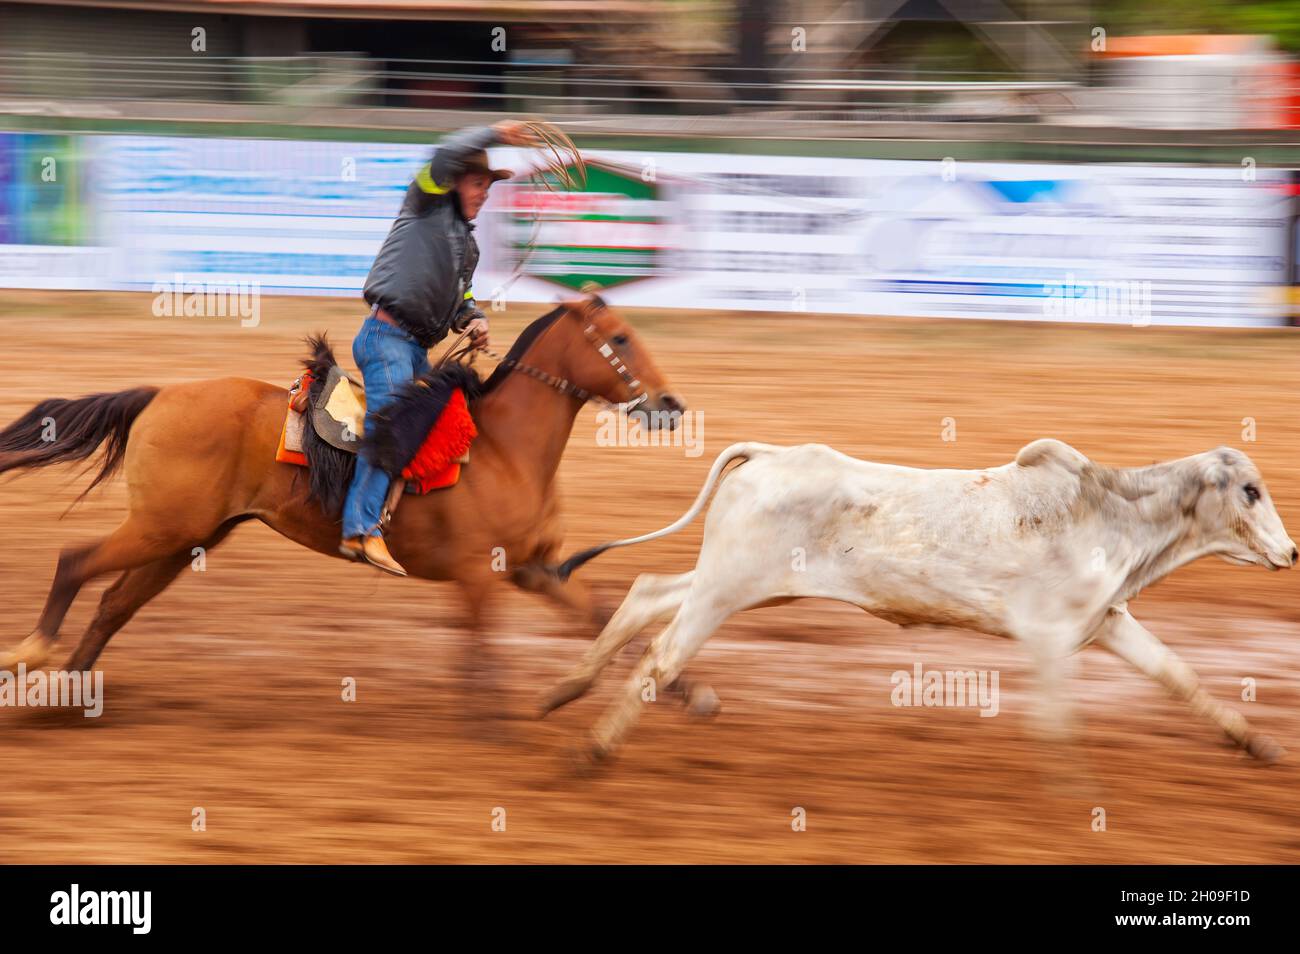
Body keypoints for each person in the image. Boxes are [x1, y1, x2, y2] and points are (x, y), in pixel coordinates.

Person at [340, 120, 538, 576]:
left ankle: (420, 524)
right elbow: (446, 149)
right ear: (452, 182)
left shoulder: (467, 248)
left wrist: (474, 318)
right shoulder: (424, 200)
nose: (484, 193)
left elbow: (462, 296)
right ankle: (360, 529)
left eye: (489, 186)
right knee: (393, 425)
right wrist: (494, 133)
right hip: (385, 339)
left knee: (444, 426)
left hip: (413, 348)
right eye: (477, 182)